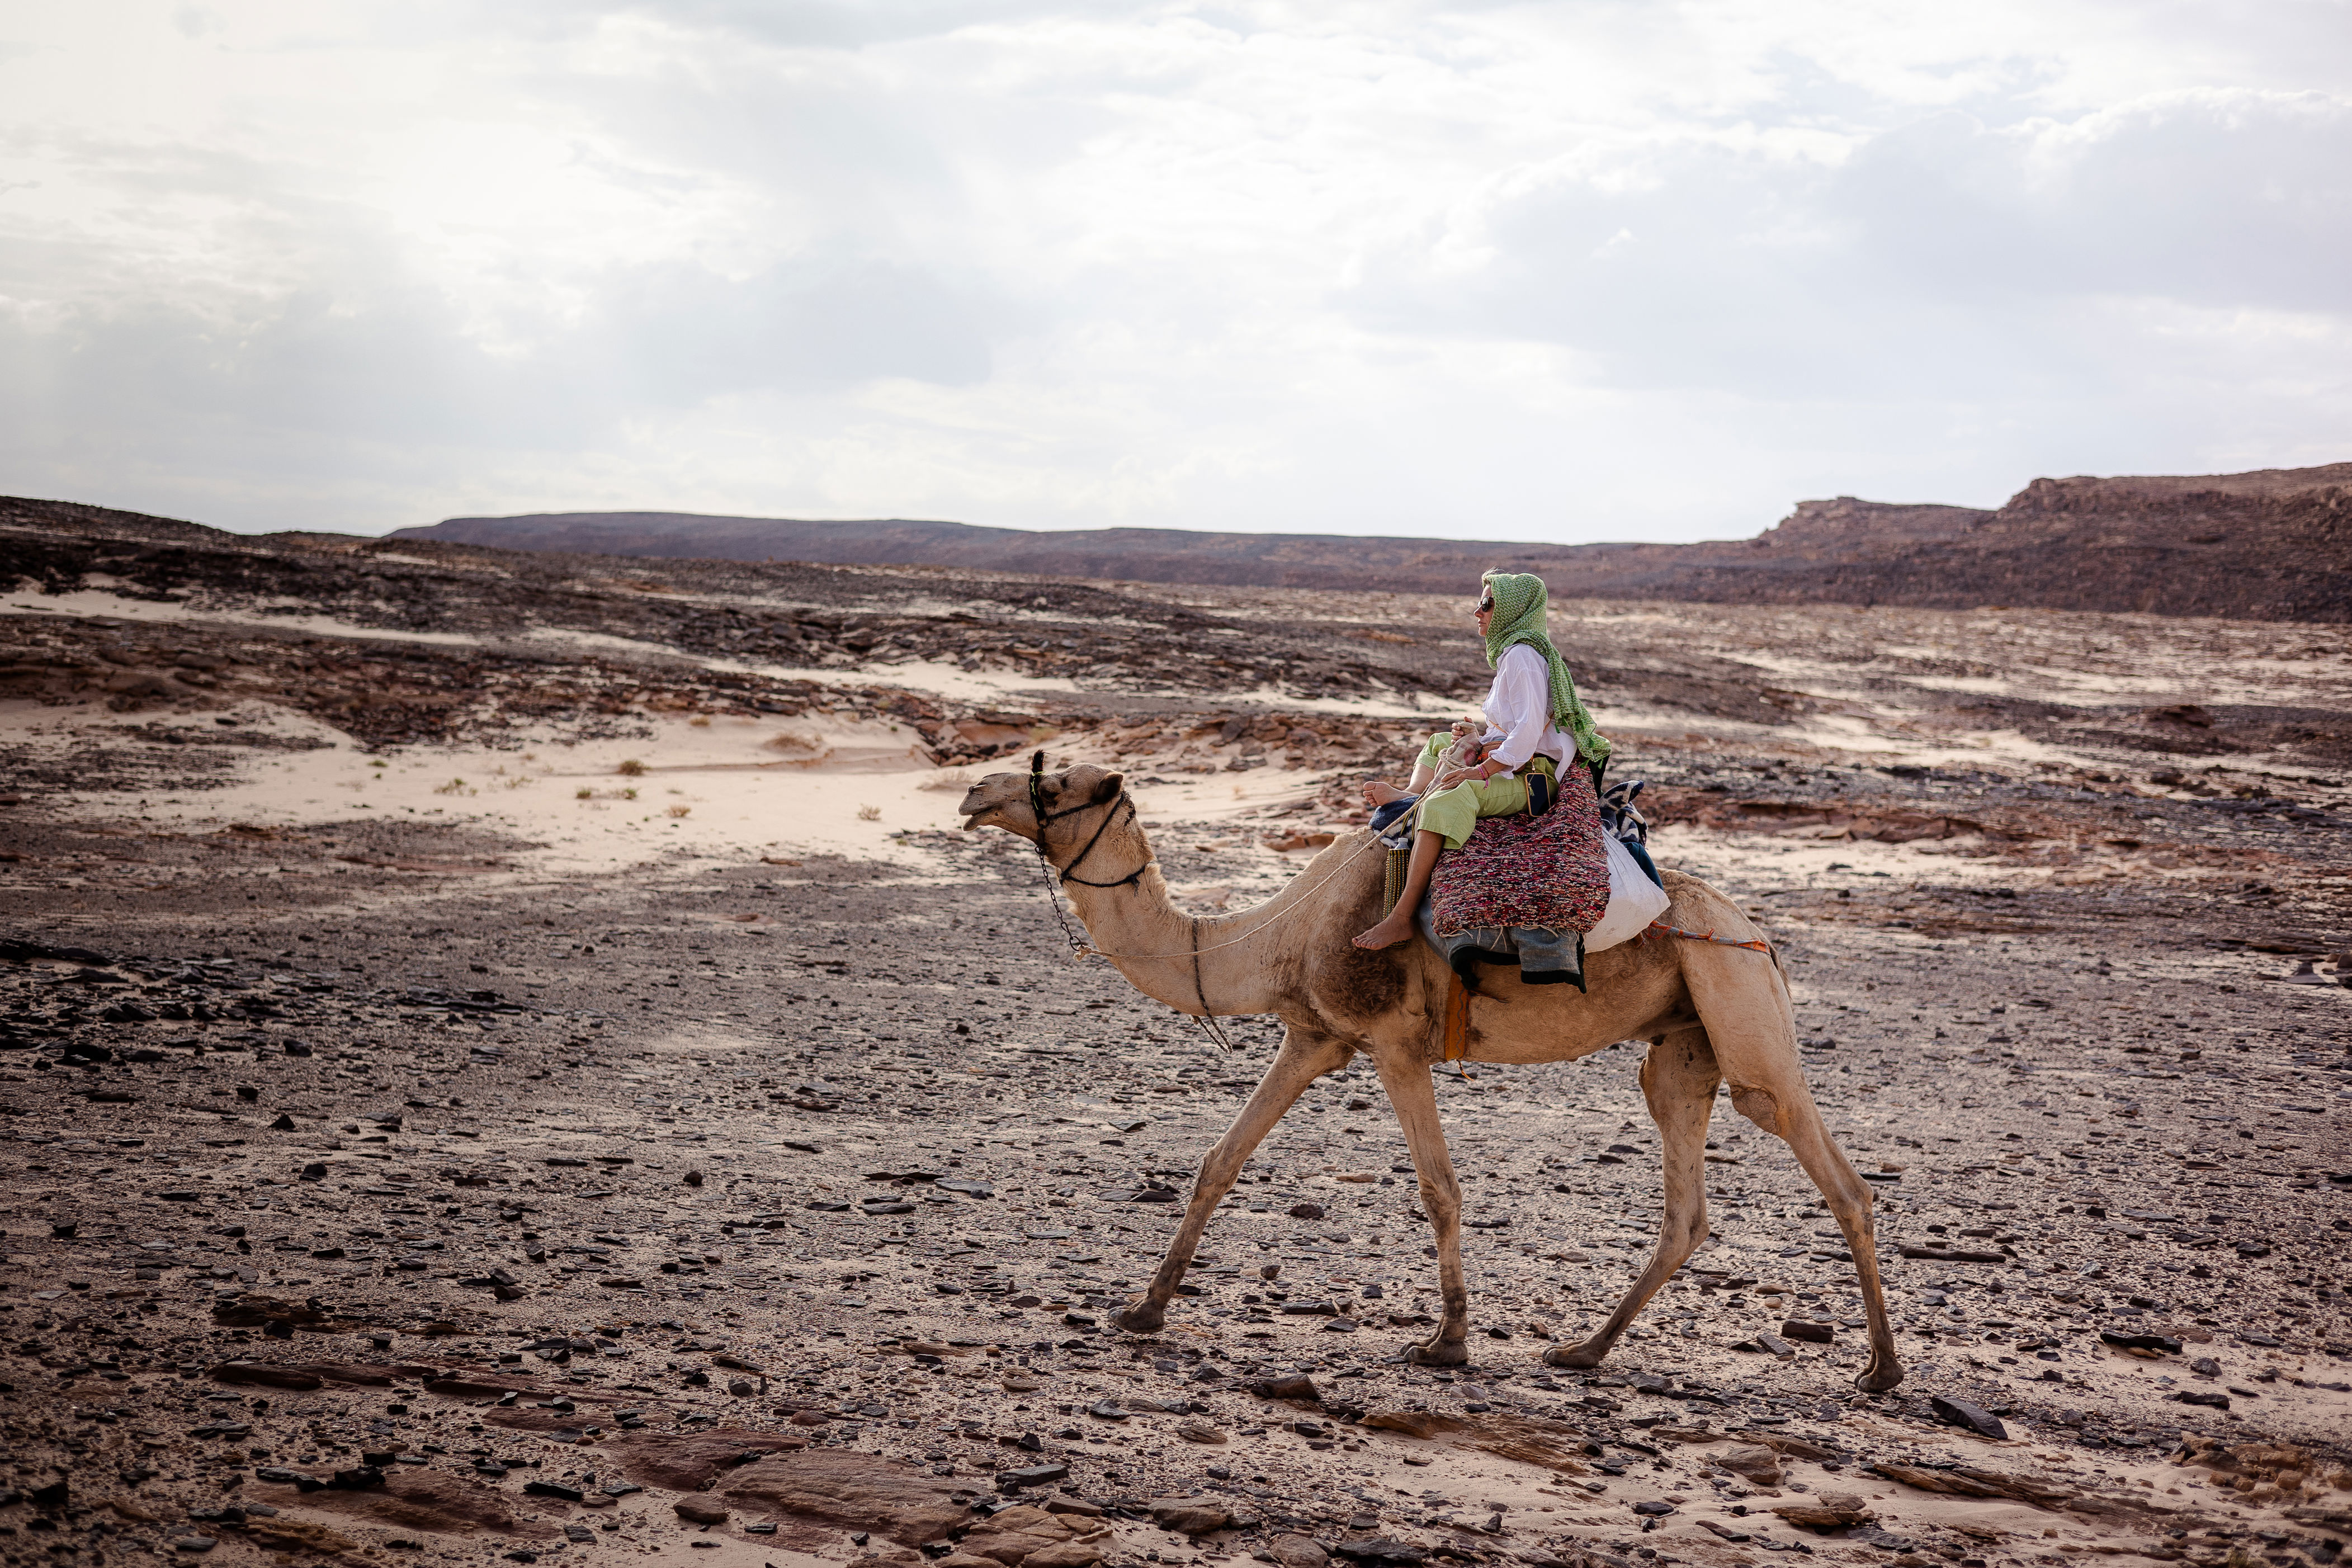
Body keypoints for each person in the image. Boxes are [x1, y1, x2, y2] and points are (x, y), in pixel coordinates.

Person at [1352, 570, 1610, 951]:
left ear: (1512, 612)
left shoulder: (1522, 657)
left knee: (1447, 799)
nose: (1478, 611)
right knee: (1440, 741)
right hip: (1515, 757)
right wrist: (1479, 737)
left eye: (1487, 605)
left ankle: (1401, 917)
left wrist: (1481, 768)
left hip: (1531, 778)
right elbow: (1516, 728)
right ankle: (1409, 794)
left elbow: (1526, 736)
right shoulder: (1514, 653)